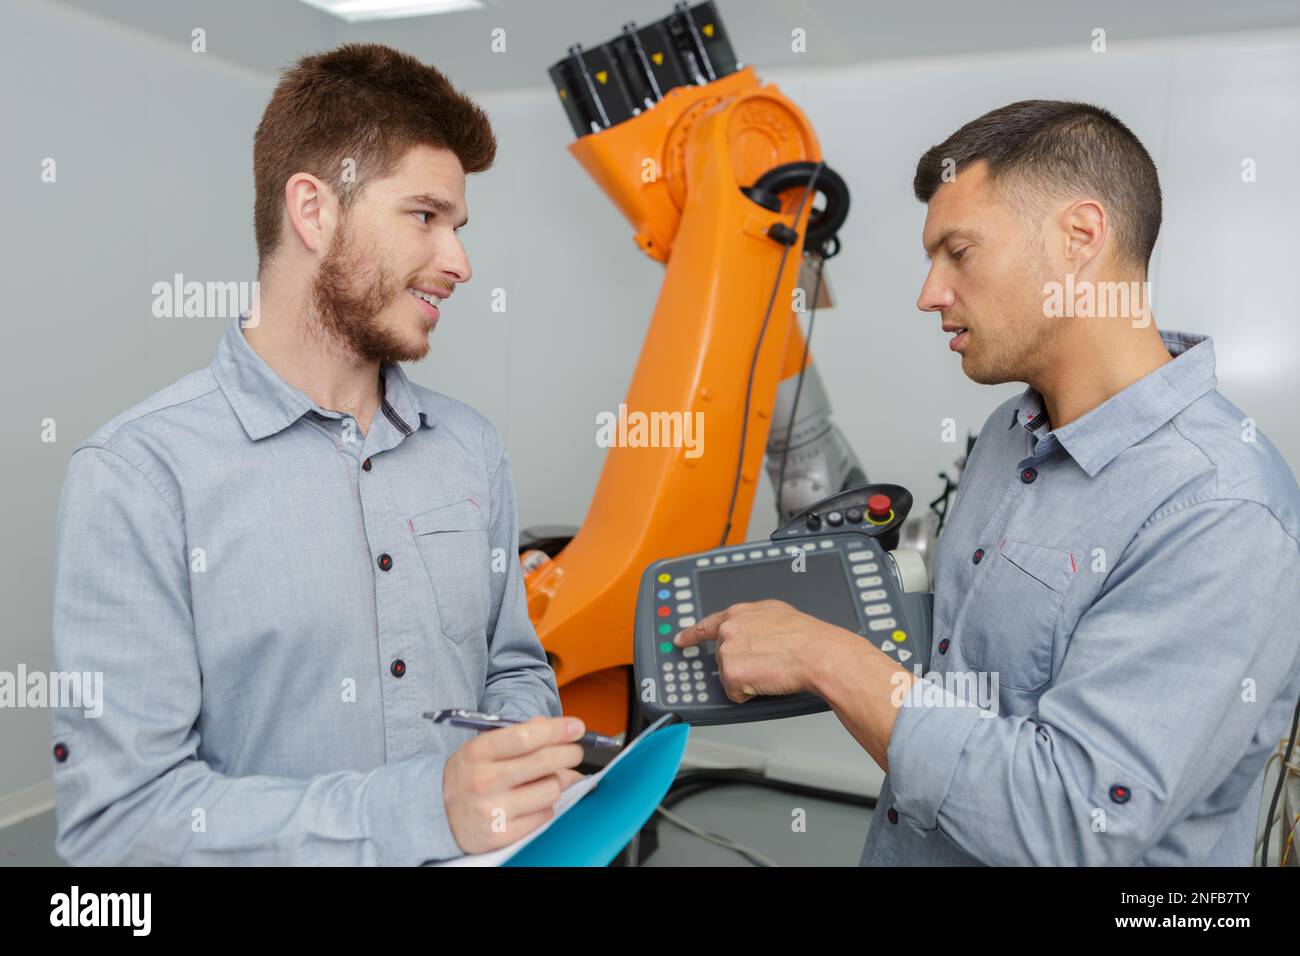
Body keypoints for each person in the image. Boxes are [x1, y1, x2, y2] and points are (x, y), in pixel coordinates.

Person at [676, 100, 1300, 865]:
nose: (929, 293)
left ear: (1080, 239)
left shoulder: (1222, 509)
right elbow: (971, 676)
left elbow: (1072, 820)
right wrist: (813, 633)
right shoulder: (1011, 432)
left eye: (958, 252)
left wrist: (828, 659)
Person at [50, 43, 585, 865]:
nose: (460, 263)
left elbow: (513, 670)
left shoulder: (471, 450)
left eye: (458, 227)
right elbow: (120, 824)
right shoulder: (139, 476)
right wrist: (423, 811)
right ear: (313, 210)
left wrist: (512, 762)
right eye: (425, 216)